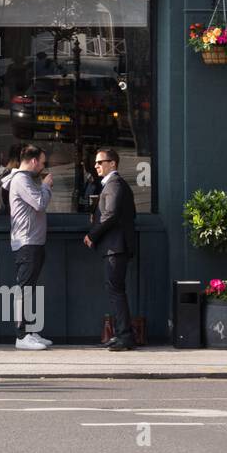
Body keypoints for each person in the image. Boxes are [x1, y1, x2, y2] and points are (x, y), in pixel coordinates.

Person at [84, 147, 137, 351]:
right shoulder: (113, 185)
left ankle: (124, 336)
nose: (96, 165)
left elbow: (111, 214)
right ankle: (121, 334)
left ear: (112, 163)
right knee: (116, 291)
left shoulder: (114, 184)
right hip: (116, 247)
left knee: (116, 292)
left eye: (100, 162)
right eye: (96, 162)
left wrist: (92, 234)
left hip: (115, 247)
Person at [2, 145, 53, 351]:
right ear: (33, 161)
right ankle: (21, 336)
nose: (42, 167)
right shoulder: (22, 179)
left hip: (32, 241)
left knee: (29, 290)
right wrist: (47, 185)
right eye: (41, 162)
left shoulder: (26, 180)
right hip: (27, 242)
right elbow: (40, 203)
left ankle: (30, 331)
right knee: (23, 290)